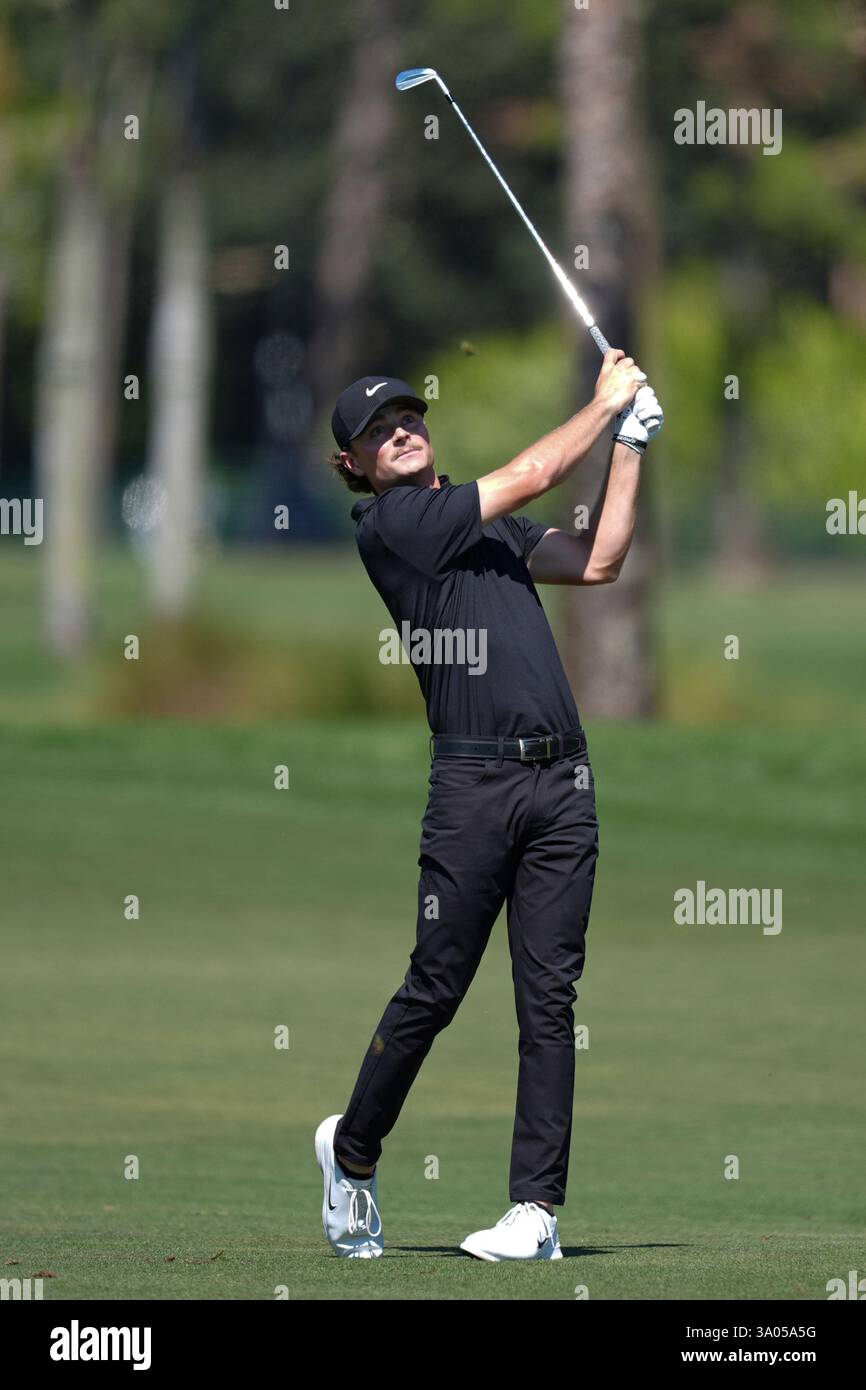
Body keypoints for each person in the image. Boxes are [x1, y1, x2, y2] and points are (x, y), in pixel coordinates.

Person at [315, 354, 664, 1259]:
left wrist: (628, 446)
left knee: (549, 1001)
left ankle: (535, 1215)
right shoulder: (395, 526)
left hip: (564, 785)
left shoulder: (482, 524)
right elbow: (537, 471)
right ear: (353, 463)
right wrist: (602, 403)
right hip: (473, 787)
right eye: (376, 429)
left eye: (407, 415)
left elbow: (601, 563)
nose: (400, 429)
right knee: (436, 986)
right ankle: (351, 1154)